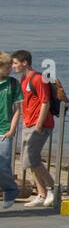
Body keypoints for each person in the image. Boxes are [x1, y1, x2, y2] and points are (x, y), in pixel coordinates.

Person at [11, 51, 55, 207]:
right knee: (27, 161)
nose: (13, 66)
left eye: (15, 63)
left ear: (25, 63)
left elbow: (45, 102)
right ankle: (42, 193)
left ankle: (52, 189)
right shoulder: (23, 79)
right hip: (28, 123)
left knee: (32, 158)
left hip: (40, 125)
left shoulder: (37, 78)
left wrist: (38, 124)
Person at [0, 53, 20, 210]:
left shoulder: (13, 83)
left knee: (3, 166)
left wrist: (12, 129)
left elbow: (17, 110)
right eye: (7, 67)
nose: (10, 69)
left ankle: (10, 189)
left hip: (5, 131)